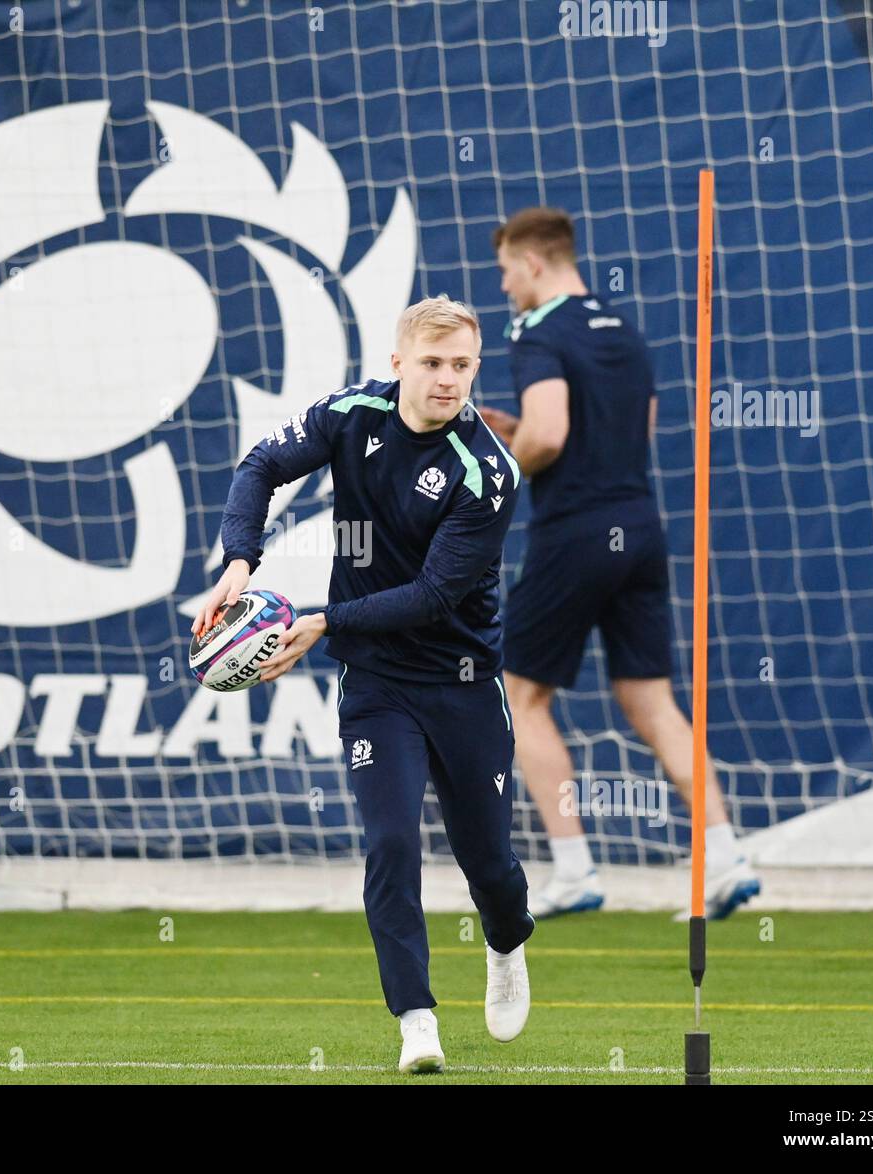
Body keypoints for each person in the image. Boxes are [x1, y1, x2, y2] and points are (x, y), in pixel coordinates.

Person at [193, 296, 534, 1073]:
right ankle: (416, 1019)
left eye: (462, 366)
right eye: (432, 364)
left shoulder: (488, 473)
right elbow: (260, 466)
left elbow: (433, 598)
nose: (447, 380)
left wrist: (318, 623)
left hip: (463, 681)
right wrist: (240, 562)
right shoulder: (351, 416)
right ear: (398, 365)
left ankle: (507, 942)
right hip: (378, 681)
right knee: (389, 843)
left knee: (490, 866)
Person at [481, 208, 760, 920]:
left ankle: (574, 868)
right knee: (650, 700)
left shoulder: (536, 331)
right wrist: (521, 433)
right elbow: (630, 433)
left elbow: (549, 432)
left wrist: (502, 463)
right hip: (639, 526)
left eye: (507, 269)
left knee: (520, 695)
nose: (505, 284)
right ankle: (725, 856)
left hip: (576, 531)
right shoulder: (625, 330)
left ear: (534, 263)